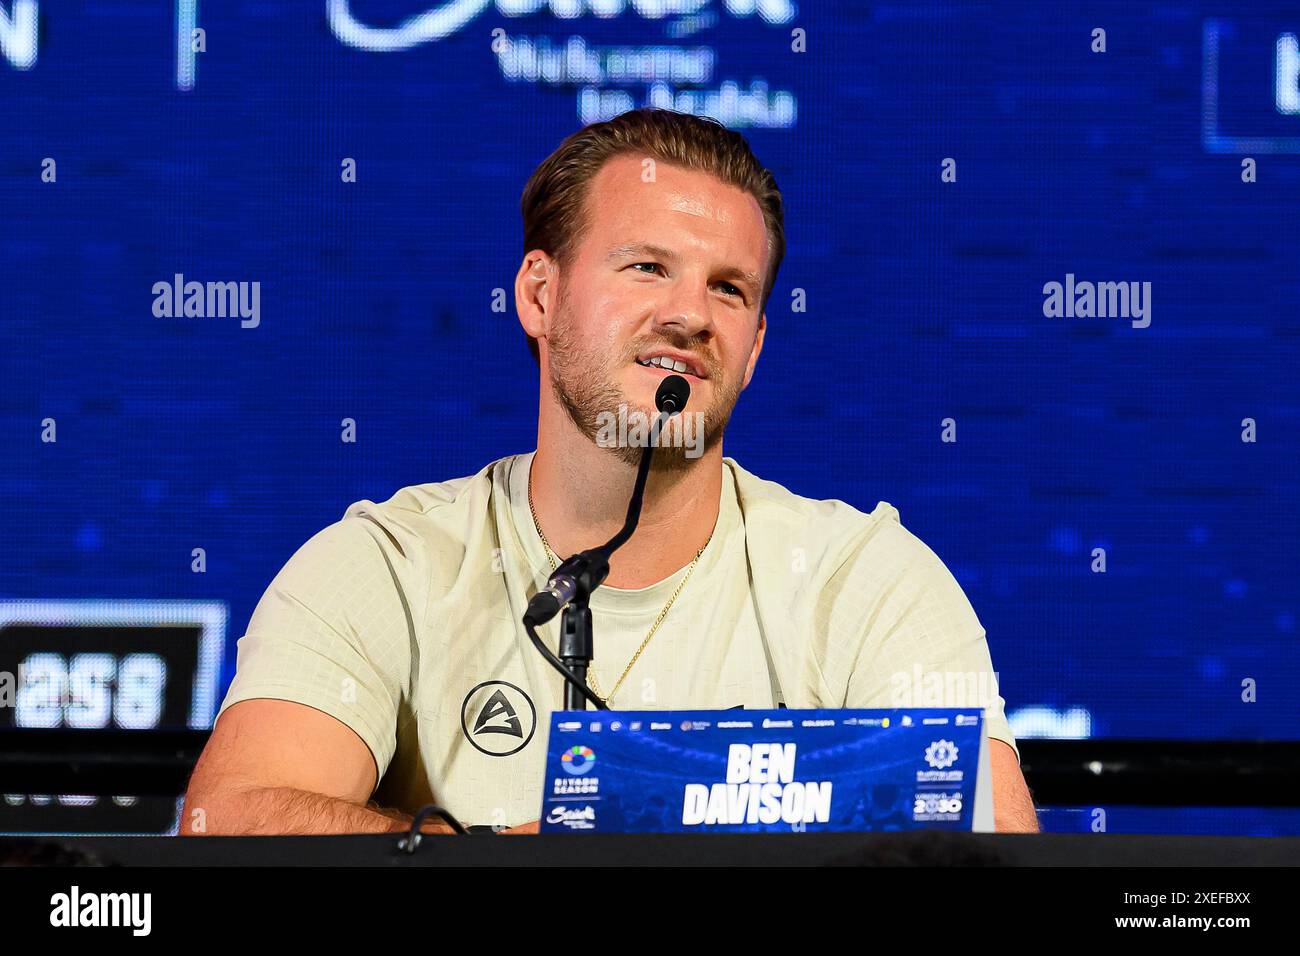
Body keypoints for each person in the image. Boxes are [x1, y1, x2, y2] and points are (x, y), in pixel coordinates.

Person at [182, 108, 1040, 837]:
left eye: (731, 289)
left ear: (755, 353)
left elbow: (988, 859)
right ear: (539, 296)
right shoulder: (388, 565)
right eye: (647, 267)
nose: (689, 314)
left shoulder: (869, 581)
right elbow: (229, 822)